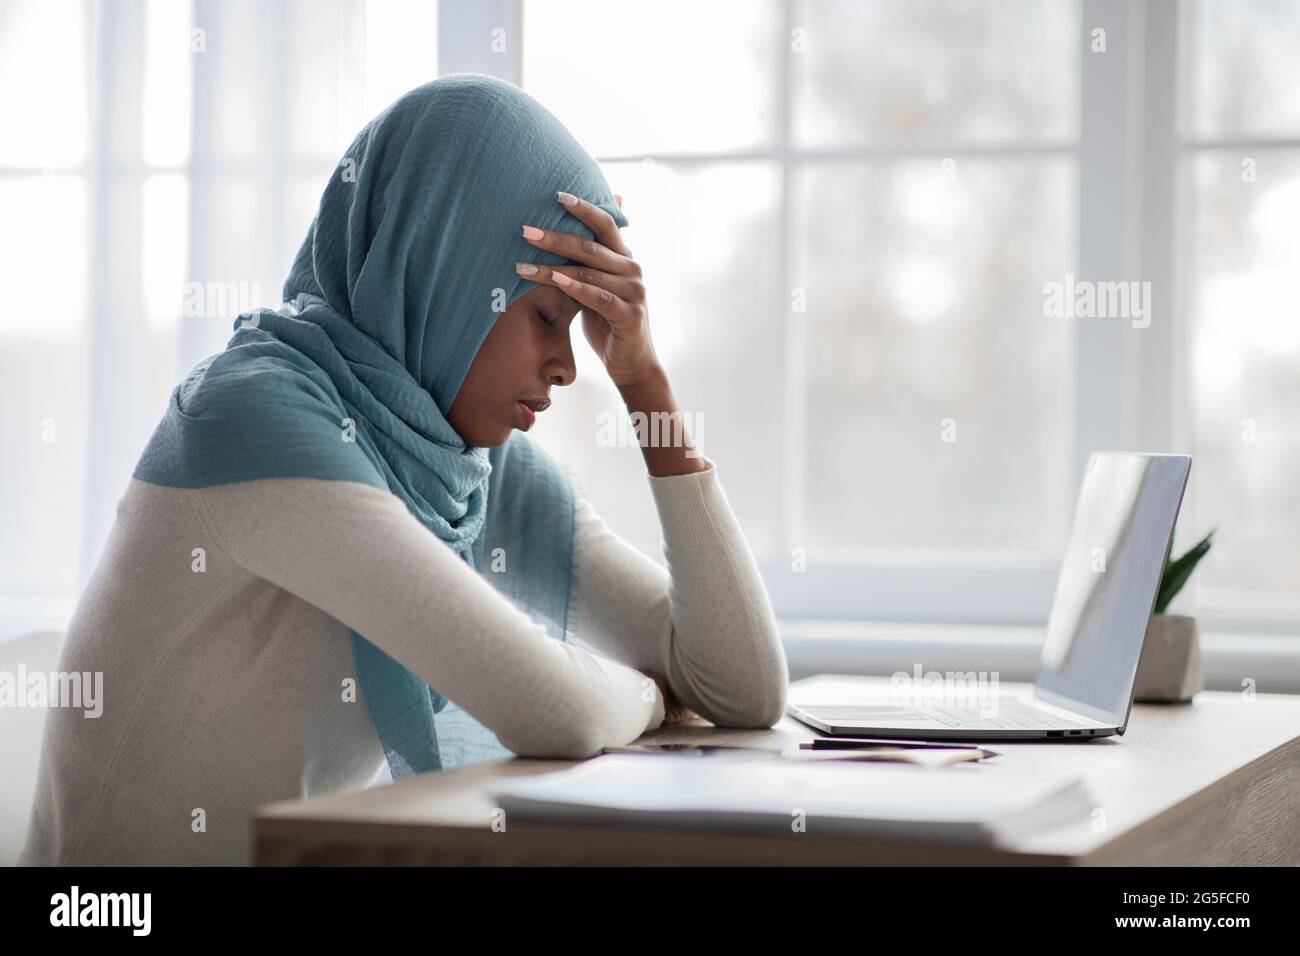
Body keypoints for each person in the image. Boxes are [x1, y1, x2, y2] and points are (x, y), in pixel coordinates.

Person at [19, 73, 787, 866]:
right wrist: (654, 696)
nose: (567, 368)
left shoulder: (463, 465)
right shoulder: (253, 416)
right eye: (549, 318)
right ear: (446, 273)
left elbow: (743, 688)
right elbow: (547, 706)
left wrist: (645, 383)